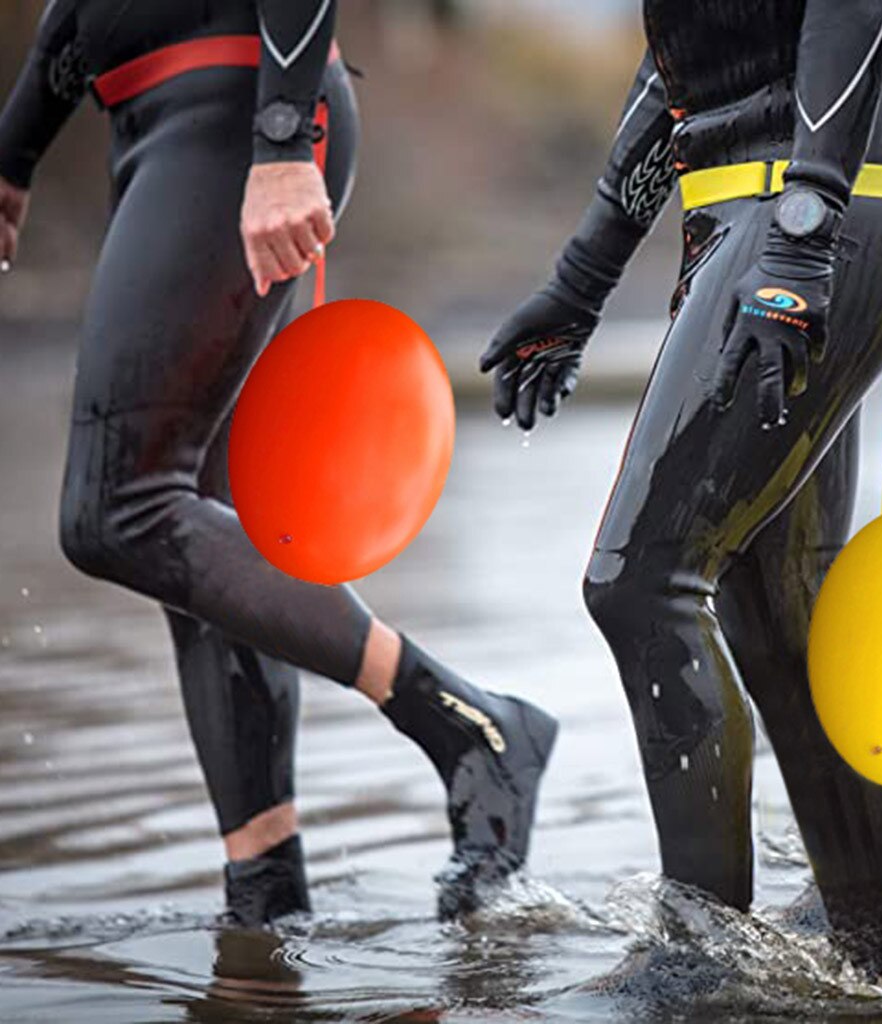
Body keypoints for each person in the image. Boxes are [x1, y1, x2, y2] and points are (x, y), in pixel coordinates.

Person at [0, 0, 557, 927]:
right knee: (193, 526)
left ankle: (469, 726)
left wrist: (282, 137)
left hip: (235, 115)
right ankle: (267, 898)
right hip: (157, 121)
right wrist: (15, 149)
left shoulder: (261, 129)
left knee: (116, 509)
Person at [482, 0, 882, 980]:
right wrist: (578, 284)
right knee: (777, 622)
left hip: (807, 218)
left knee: (639, 582)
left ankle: (698, 971)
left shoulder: (802, 219)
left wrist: (802, 235)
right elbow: (681, 68)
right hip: (754, 214)